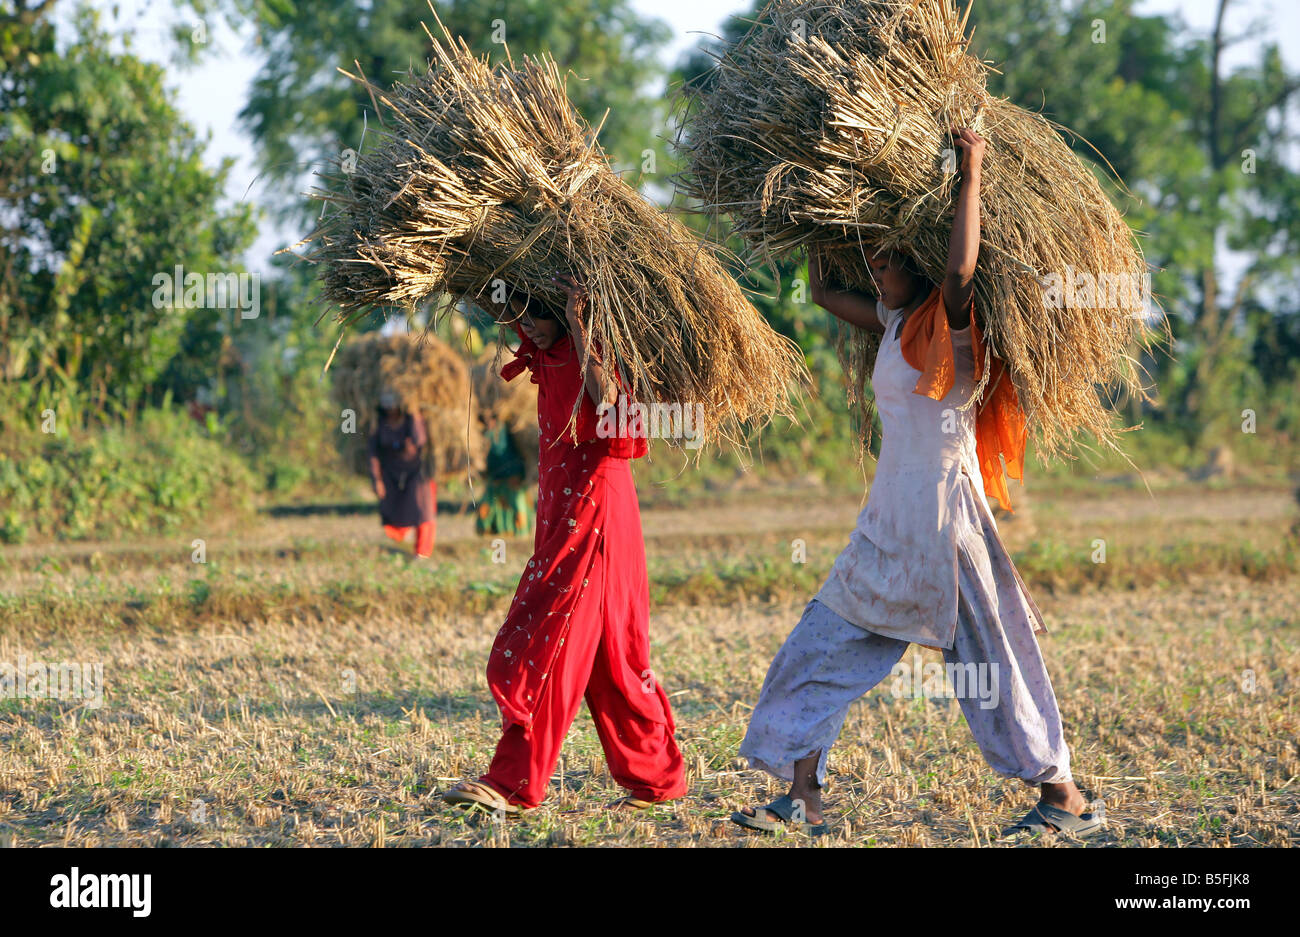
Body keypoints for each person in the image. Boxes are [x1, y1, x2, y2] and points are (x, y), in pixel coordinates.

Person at [731, 128, 1105, 838]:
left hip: (946, 522)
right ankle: (799, 798)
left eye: (885, 257)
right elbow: (818, 290)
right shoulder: (894, 318)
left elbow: (962, 274)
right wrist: (814, 198)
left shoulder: (952, 326)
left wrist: (971, 174)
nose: (874, 269)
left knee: (992, 665)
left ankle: (1065, 797)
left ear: (919, 261)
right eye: (870, 257)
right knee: (815, 649)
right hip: (887, 522)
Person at [443, 274, 687, 813]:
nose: (525, 322)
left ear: (570, 312)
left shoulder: (595, 351)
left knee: (550, 638)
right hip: (560, 510)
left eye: (538, 311)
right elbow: (496, 295)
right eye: (522, 311)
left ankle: (513, 781)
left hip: (595, 515)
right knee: (611, 658)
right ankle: (658, 778)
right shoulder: (542, 343)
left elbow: (618, 417)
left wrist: (582, 328)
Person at [367, 390, 436, 558]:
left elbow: (419, 440)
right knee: (392, 515)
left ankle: (422, 553)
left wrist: (413, 413)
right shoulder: (379, 424)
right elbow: (373, 454)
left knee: (423, 512)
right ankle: (401, 545)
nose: (391, 410)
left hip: (416, 474)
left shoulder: (411, 420)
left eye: (394, 406)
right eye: (387, 406)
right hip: (391, 475)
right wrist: (377, 480)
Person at [475, 411, 532, 538]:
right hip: (495, 475)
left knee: (517, 503)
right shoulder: (485, 434)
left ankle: (521, 532)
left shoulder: (505, 430)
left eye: (490, 420)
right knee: (488, 503)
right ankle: (487, 530)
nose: (488, 423)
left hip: (513, 474)